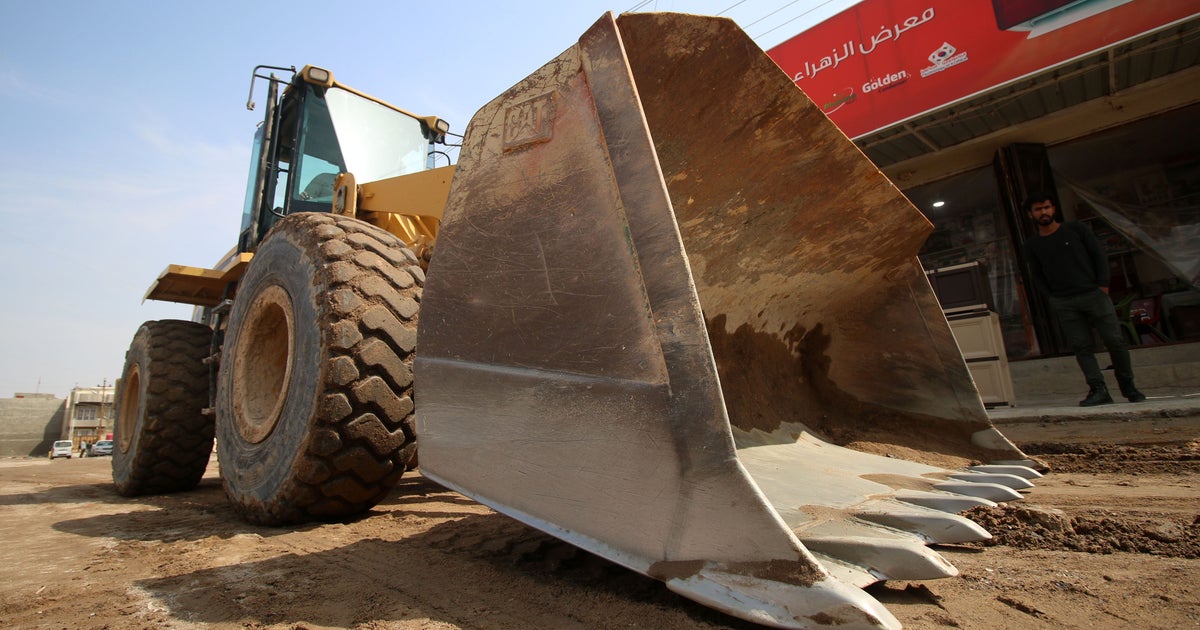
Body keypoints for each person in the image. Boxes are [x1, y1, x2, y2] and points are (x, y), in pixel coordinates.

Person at [1022, 191, 1145, 406]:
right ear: (1031, 214)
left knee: (1114, 340)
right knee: (1081, 346)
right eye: (1038, 209)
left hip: (1093, 294)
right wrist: (1052, 297)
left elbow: (1098, 256)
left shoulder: (1075, 230)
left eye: (1047, 207)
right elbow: (1036, 274)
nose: (1044, 212)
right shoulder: (1033, 245)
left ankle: (1128, 386)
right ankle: (1098, 389)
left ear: (1053, 209)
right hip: (1064, 301)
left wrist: (1103, 286)